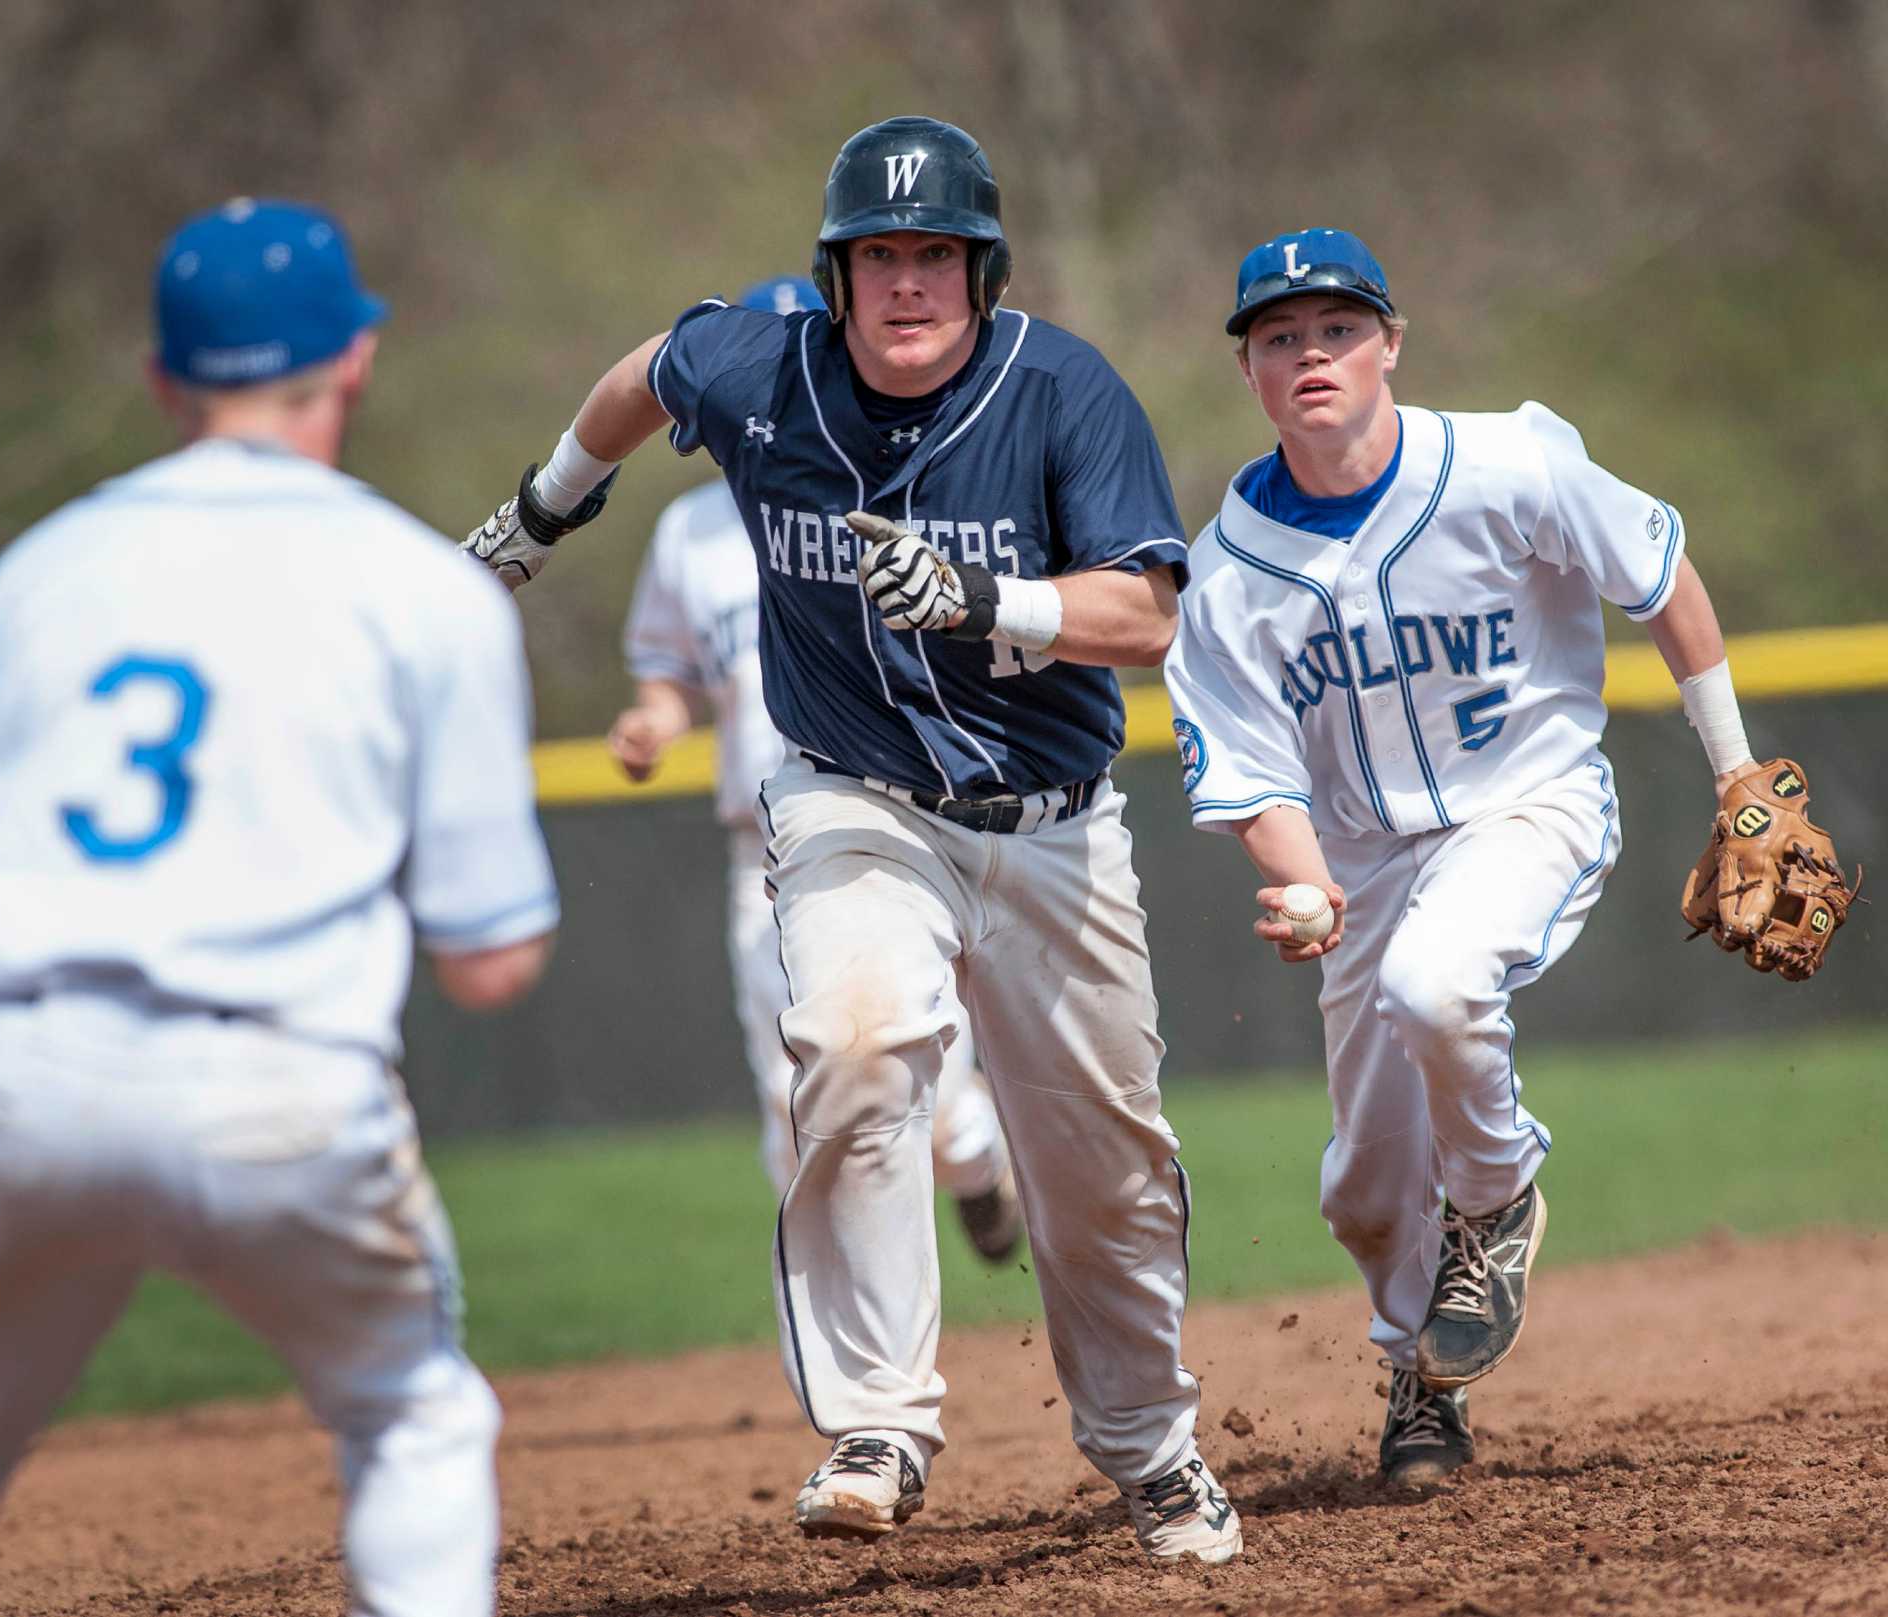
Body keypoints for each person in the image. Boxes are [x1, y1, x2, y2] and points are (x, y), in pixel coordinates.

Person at [464, 118, 1241, 1565]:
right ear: (835, 275)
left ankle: (1152, 1449)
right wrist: (541, 510)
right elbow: (648, 372)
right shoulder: (761, 370)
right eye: (877, 256)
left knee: (1104, 1168)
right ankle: (879, 1415)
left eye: (933, 254)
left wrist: (984, 599)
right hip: (852, 798)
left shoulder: (1065, 390)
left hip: (1052, 823)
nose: (905, 283)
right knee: (853, 1038)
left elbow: (1148, 614)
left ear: (982, 271)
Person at [0, 198, 557, 1617]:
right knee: (412, 1416)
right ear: (354, 360)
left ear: (165, 380)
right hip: (275, 1084)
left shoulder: (25, 580)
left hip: (14, 1074)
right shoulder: (425, 588)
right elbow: (492, 961)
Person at [1164, 226, 1774, 1488]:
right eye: (1278, 336)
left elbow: (1657, 576)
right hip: (1360, 857)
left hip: (1526, 805)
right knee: (1364, 1195)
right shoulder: (1226, 570)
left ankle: (1493, 1204)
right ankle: (1421, 1382)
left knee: (1436, 984)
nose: (1310, 352)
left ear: (1390, 344)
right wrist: (1306, 884)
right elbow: (1248, 777)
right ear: (1248, 372)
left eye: (1336, 328)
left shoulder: (1504, 463)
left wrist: (1737, 777)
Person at [608, 272, 1024, 1262]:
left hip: (896, 818)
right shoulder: (690, 532)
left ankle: (970, 1163)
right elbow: (667, 663)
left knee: (925, 1075)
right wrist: (654, 719)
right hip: (762, 847)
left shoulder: (903, 492)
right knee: (790, 1089)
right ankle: (836, 1286)